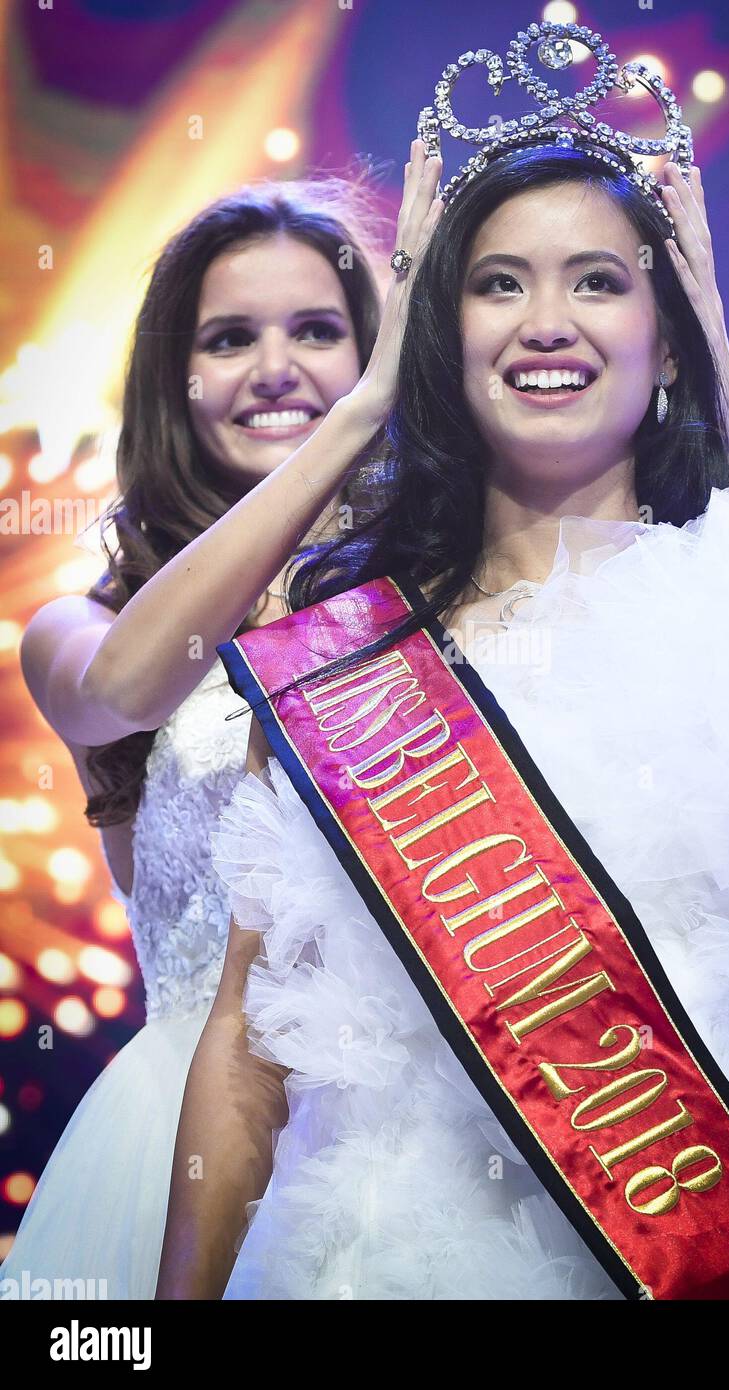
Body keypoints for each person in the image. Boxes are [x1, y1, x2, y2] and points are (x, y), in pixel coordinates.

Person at [157, 33, 729, 1295]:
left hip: (716, 1258)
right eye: (498, 283)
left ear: (667, 339)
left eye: (597, 281)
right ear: (445, 333)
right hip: (387, 1260)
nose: (545, 323)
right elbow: (245, 1042)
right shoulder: (345, 640)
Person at [1, 173, 392, 1300]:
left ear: (376, 357)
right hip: (176, 1129)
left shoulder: (442, 592)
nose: (276, 367)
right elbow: (122, 689)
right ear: (179, 379)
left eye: (318, 331)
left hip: (431, 1118)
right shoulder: (86, 629)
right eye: (231, 337)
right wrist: (351, 428)